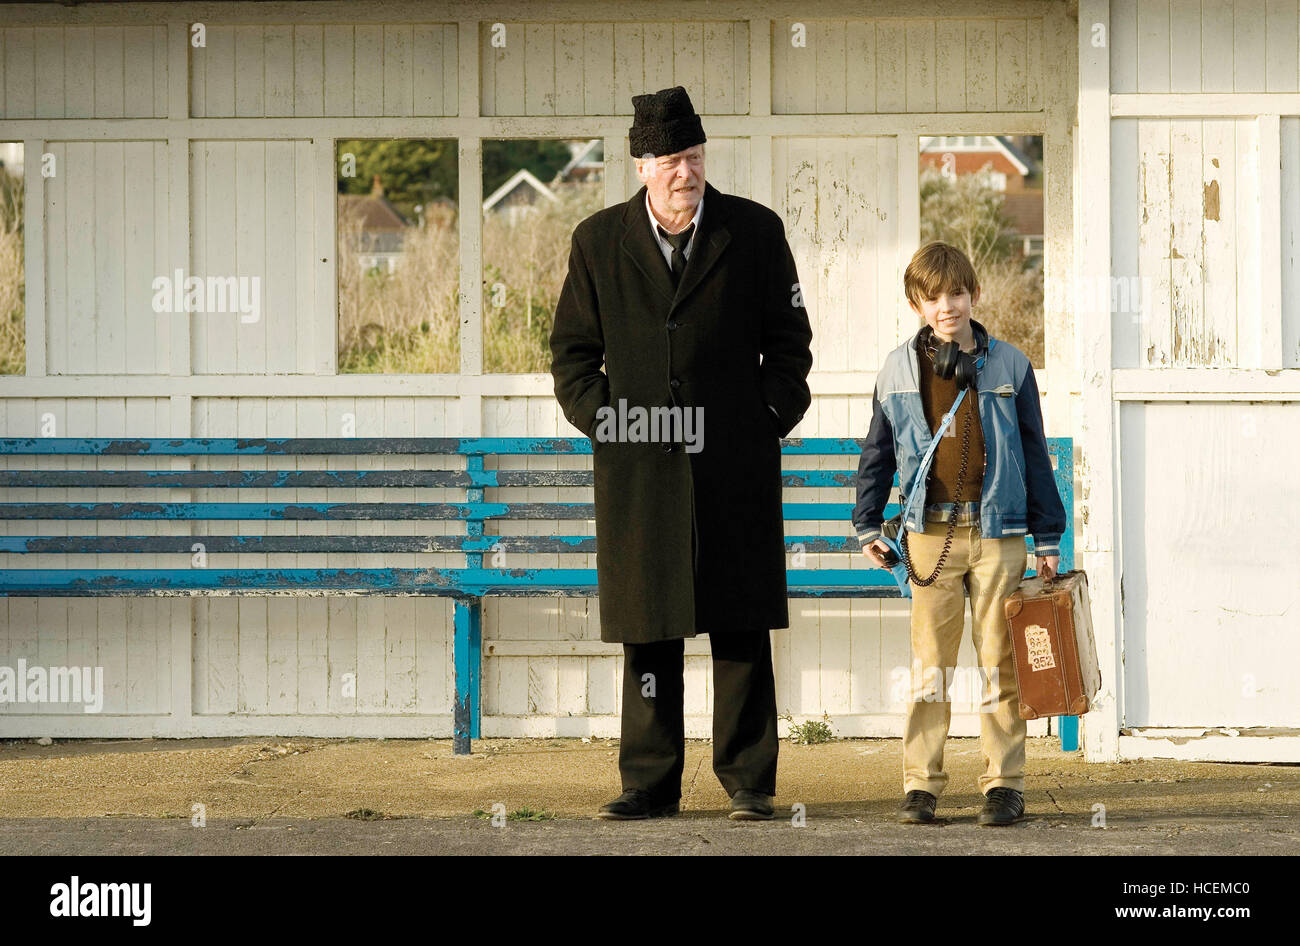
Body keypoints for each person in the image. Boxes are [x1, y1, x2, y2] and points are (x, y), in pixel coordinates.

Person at [550, 86, 813, 821]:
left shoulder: (754, 232)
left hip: (734, 464)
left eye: (693, 156)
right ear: (641, 166)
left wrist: (764, 419)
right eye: (669, 160)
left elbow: (791, 346)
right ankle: (648, 782)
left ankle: (750, 781)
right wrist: (610, 425)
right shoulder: (596, 242)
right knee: (649, 630)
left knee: (740, 627)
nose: (684, 172)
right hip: (639, 469)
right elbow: (573, 357)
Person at [851, 241, 1066, 826]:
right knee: (931, 667)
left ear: (974, 294)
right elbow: (877, 452)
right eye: (932, 298)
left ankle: (1004, 784)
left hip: (999, 533)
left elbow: (1034, 453)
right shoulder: (897, 368)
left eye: (956, 293)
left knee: (1001, 661)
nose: (946, 306)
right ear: (916, 305)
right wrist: (867, 522)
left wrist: (1048, 538)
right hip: (929, 535)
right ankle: (921, 785)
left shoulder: (1011, 365)